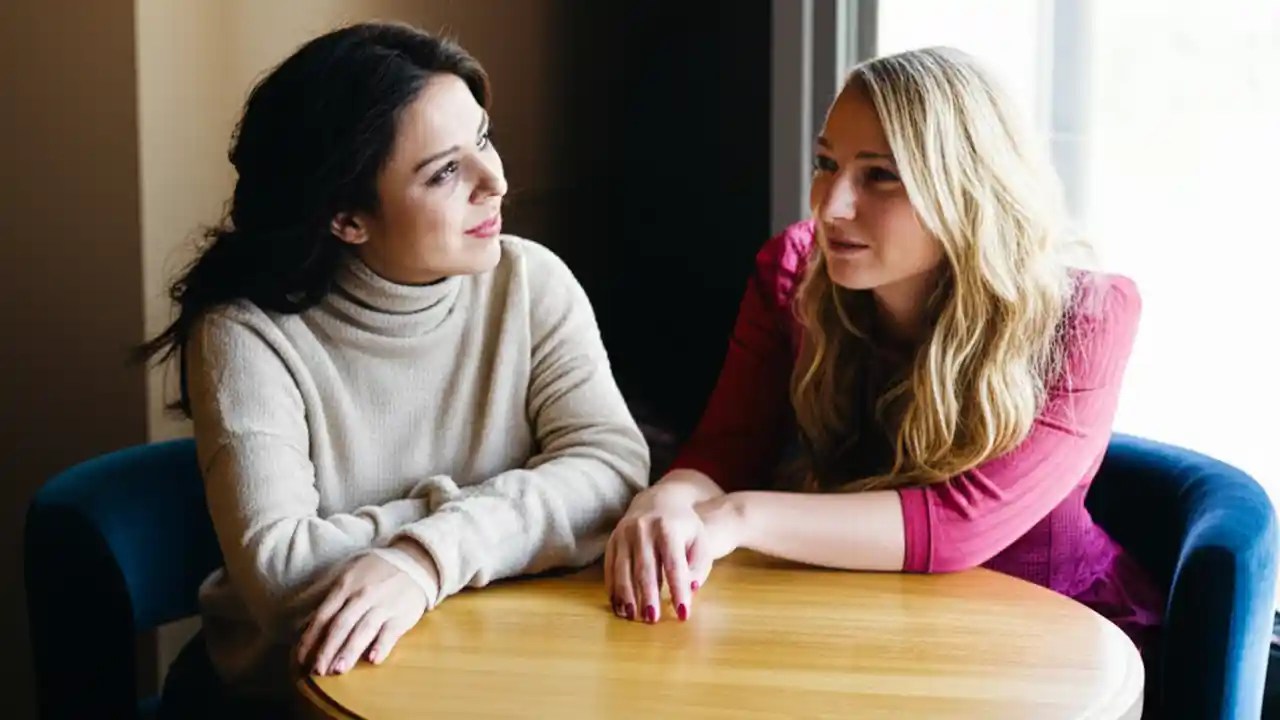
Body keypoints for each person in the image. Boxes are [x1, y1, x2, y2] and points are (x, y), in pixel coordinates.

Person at [605, 45, 1163, 680]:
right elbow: (725, 450)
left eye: (880, 175)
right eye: (826, 163)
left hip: (1046, 656)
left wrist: (737, 516)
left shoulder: (1087, 315)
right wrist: (670, 500)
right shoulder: (794, 273)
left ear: (967, 187)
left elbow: (960, 525)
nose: (832, 204)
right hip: (863, 633)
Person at [137, 21, 649, 711]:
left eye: (484, 139)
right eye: (445, 172)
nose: (495, 181)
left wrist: (422, 560)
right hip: (293, 698)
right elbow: (284, 578)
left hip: (491, 667)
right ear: (347, 218)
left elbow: (613, 472)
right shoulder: (245, 334)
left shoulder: (532, 284)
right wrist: (519, 514)